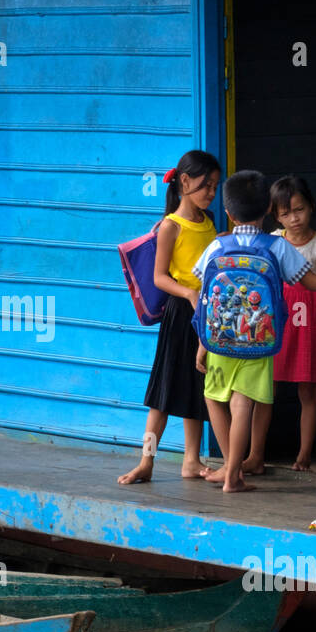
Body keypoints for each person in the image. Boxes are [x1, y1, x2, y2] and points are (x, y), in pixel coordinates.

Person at [193, 170, 316, 493]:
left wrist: (202, 341)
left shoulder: (217, 246)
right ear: (267, 211)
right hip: (260, 342)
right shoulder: (276, 246)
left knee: (212, 397)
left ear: (230, 214)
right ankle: (233, 474)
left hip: (220, 339)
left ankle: (228, 466)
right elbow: (313, 282)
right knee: (243, 403)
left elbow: (206, 296)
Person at [117, 150, 221, 485]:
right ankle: (146, 460)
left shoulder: (209, 223)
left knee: (196, 385)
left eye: (216, 187)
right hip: (181, 314)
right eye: (206, 185)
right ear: (185, 182)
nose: (211, 193)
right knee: (163, 392)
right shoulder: (170, 227)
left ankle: (192, 460)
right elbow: (160, 277)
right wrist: (189, 293)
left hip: (205, 313)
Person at [260, 175, 316, 471]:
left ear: (311, 206)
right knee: (264, 387)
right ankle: (254, 453)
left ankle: (304, 455)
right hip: (279, 323)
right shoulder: (273, 241)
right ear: (276, 215)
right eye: (285, 213)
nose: (293, 218)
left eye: (298, 210)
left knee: (307, 391)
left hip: (310, 325)